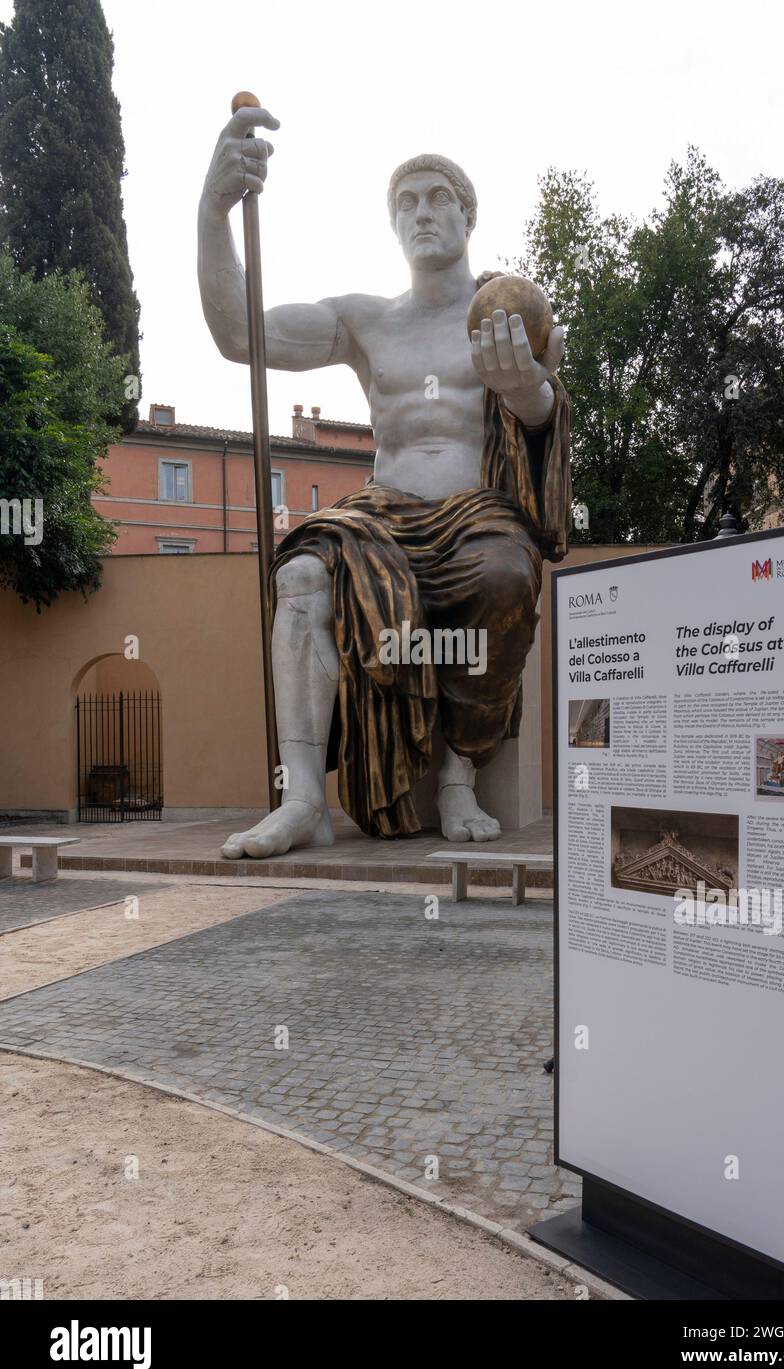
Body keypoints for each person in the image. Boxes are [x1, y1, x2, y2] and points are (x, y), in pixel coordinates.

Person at [198, 107, 571, 858]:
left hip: (476, 517)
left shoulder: (509, 310)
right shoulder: (365, 321)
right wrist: (214, 209)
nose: (422, 212)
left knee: (504, 576)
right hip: (383, 514)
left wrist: (532, 396)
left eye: (438, 198)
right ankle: (303, 797)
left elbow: (543, 419)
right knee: (302, 570)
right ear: (393, 225)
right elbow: (239, 335)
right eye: (407, 202)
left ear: (468, 215)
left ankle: (458, 775)